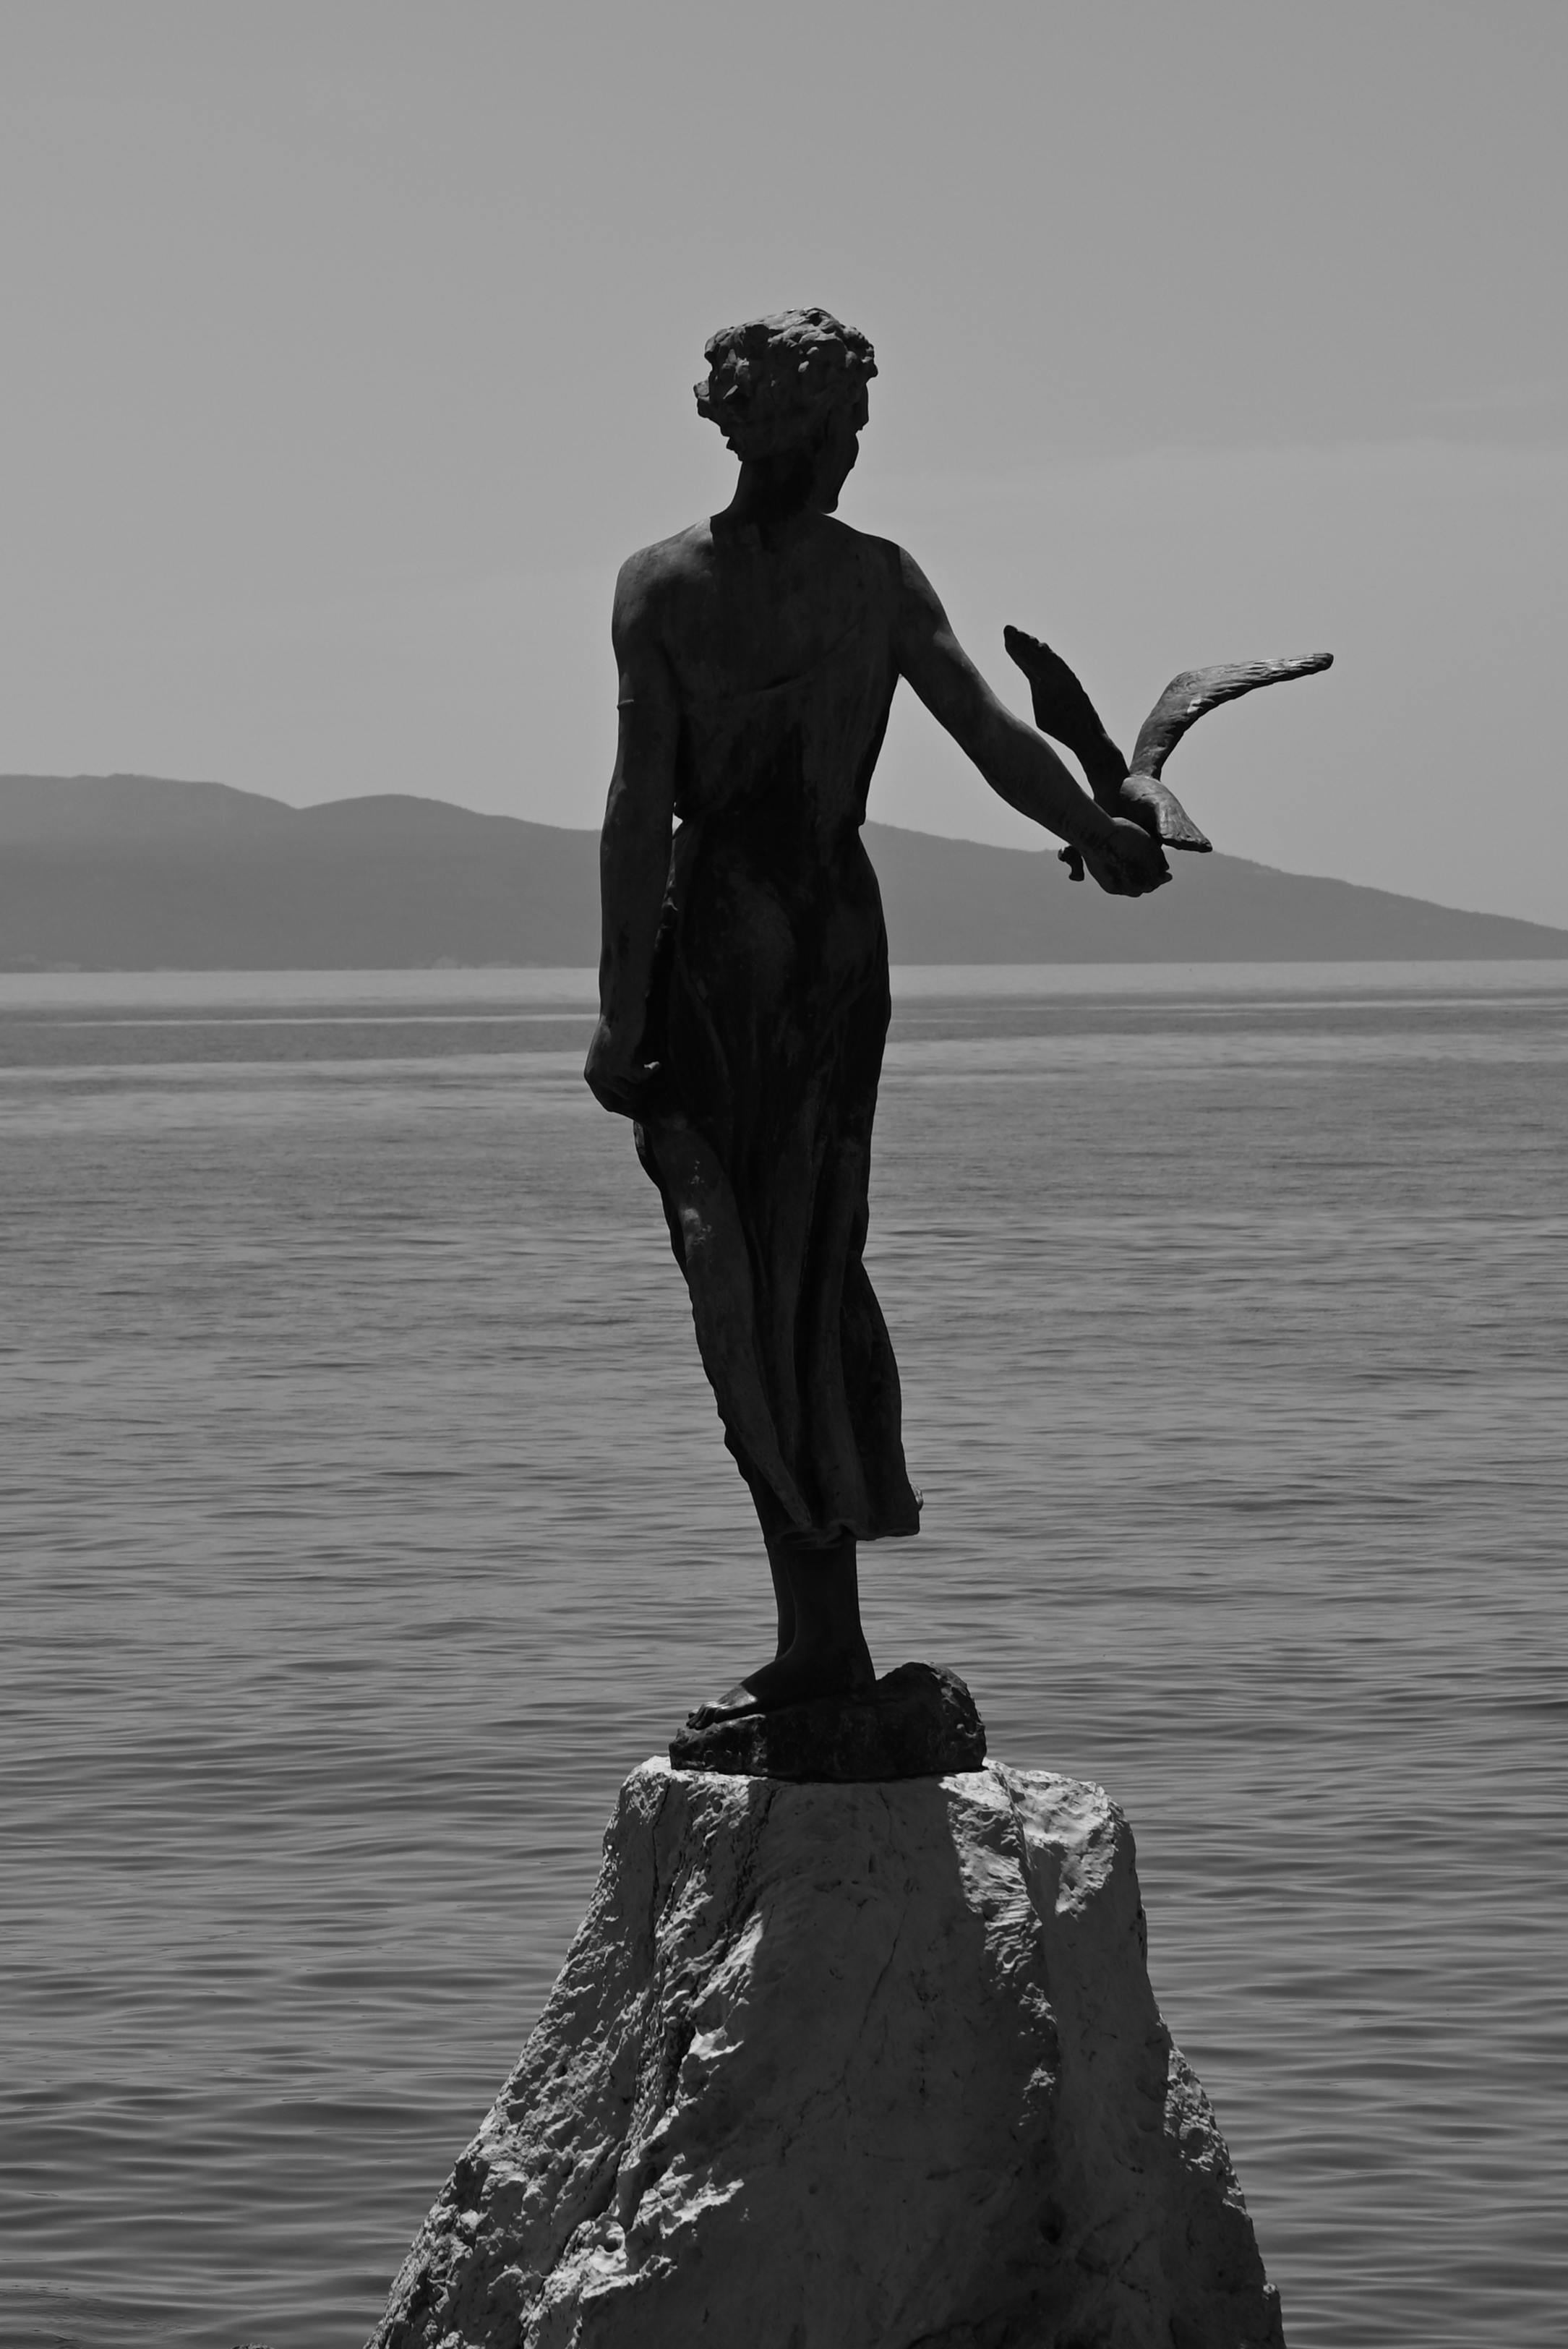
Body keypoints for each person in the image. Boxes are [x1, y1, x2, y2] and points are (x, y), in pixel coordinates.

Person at [584, 307, 1169, 1723]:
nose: (851, 450)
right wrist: (1096, 831)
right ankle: (817, 1636)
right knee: (798, 1269)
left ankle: (818, 1639)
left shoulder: (662, 587)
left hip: (729, 943)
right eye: (847, 425)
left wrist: (616, 1009)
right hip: (815, 939)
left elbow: (636, 808)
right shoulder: (869, 581)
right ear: (818, 432)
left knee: (763, 1278)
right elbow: (991, 737)